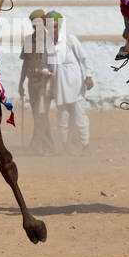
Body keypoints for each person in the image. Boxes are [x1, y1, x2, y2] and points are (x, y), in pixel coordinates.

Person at [41, 11, 92, 155]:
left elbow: (84, 59)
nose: (53, 30)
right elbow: (45, 64)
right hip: (59, 87)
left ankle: (85, 146)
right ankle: (65, 148)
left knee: (80, 117)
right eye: (50, 27)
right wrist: (44, 71)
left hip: (76, 87)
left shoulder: (70, 40)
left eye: (55, 27)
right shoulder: (47, 45)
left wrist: (88, 76)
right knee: (62, 118)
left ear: (60, 26)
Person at [18, 9, 54, 154]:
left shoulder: (50, 40)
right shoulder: (28, 40)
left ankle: (37, 144)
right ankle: (48, 143)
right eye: (34, 22)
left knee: (41, 112)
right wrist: (20, 83)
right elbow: (25, 63)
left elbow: (54, 63)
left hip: (45, 80)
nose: (36, 25)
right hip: (31, 81)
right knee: (36, 113)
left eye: (39, 22)